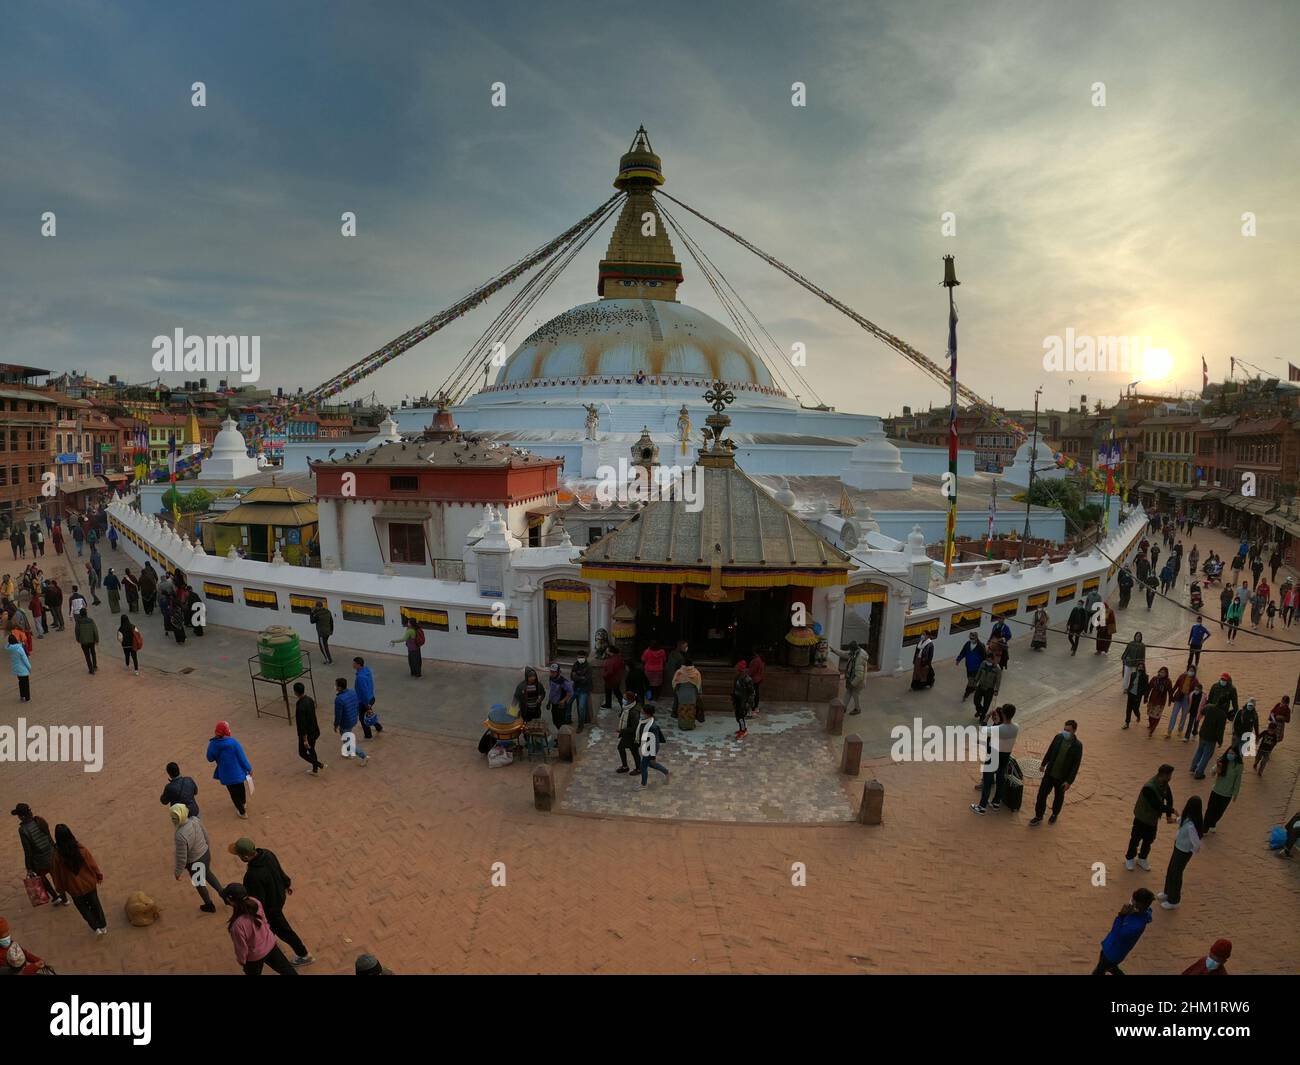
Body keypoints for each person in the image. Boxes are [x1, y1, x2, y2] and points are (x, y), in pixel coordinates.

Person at [229, 837, 314, 966]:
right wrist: (286, 883)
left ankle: (303, 954)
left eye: (239, 855)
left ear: (245, 857)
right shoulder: (267, 853)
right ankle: (270, 937)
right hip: (278, 895)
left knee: (284, 930)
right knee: (274, 927)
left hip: (271, 908)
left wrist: (255, 915)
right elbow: (279, 870)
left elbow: (257, 901)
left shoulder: (252, 876)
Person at [220, 884, 297, 976]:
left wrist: (242, 960)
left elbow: (241, 948)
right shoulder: (255, 902)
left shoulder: (237, 926)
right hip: (270, 944)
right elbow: (265, 921)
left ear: (230, 901)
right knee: (286, 970)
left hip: (254, 957)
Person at [50, 824, 107, 936]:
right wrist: (98, 875)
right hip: (89, 884)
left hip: (74, 889)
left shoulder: (57, 856)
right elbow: (92, 864)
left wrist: (60, 889)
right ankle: (103, 925)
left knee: (84, 909)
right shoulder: (81, 849)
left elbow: (57, 875)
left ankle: (95, 928)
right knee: (95, 905)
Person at [170, 804, 222, 913]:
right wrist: (206, 847)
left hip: (195, 862)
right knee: (208, 873)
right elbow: (206, 835)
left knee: (199, 884)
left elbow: (182, 856)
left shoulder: (180, 835)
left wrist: (178, 871)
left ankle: (209, 905)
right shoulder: (195, 820)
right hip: (205, 853)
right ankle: (224, 894)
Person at [1029, 720, 1082, 826]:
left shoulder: (1078, 746)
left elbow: (1075, 765)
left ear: (1074, 731)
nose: (1065, 732)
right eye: (1065, 729)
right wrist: (1043, 764)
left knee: (1058, 797)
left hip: (1062, 778)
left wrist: (1069, 782)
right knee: (1041, 795)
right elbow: (1050, 751)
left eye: (1068, 730)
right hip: (1049, 774)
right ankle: (1038, 816)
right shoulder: (1058, 738)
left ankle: (1054, 814)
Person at [1092, 889, 1155, 975]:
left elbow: (1117, 933)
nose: (1131, 902)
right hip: (1112, 950)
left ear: (1140, 905)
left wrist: (1121, 915)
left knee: (1099, 971)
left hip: (1112, 953)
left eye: (1134, 901)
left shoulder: (1136, 926)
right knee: (1111, 968)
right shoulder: (1140, 913)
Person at [1125, 764, 1175, 870]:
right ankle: (1130, 858)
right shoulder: (1149, 787)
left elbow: (1169, 798)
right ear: (1163, 775)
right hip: (1142, 817)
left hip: (1152, 819)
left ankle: (1142, 858)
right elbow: (1156, 805)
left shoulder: (1164, 784)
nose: (1171, 777)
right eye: (1169, 775)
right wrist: (1172, 811)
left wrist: (1168, 816)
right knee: (1135, 838)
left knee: (1149, 839)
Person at [13, 803, 65, 905]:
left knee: (41, 878)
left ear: (22, 816)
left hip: (39, 860)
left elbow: (27, 851)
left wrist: (28, 867)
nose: (18, 817)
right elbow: (49, 838)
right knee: (56, 877)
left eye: (18, 815)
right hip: (52, 854)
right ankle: (65, 898)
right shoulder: (39, 821)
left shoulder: (23, 830)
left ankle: (55, 897)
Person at [970, 704, 1018, 814]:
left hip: (994, 754)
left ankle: (982, 807)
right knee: (1000, 780)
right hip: (1006, 755)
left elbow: (982, 729)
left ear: (1004, 714)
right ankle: (996, 803)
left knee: (987, 781)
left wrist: (987, 716)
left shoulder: (997, 729)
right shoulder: (1016, 727)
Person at [1158, 796, 1203, 910]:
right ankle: (1167, 892)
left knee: (1176, 874)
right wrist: (1173, 819)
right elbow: (1180, 820)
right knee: (1171, 870)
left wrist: (1190, 851)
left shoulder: (1191, 826)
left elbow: (1197, 844)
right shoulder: (1188, 819)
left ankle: (1174, 900)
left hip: (1183, 852)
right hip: (1177, 848)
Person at [1192, 673, 1237, 778]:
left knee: (1199, 750)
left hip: (1204, 731)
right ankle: (1198, 772)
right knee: (1207, 754)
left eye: (1224, 680)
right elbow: (1220, 730)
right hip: (1211, 736)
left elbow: (1202, 711)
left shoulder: (1210, 707)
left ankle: (1193, 767)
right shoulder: (1222, 715)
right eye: (1222, 679)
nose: (1222, 681)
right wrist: (1220, 740)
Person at [207, 720, 254, 816]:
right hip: (238, 773)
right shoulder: (233, 742)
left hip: (226, 775)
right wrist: (249, 768)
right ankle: (243, 803)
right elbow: (242, 757)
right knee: (241, 789)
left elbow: (209, 758)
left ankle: (242, 812)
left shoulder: (213, 744)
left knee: (233, 793)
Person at [1203, 744, 1243, 834]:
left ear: (1236, 755)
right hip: (1216, 790)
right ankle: (1204, 828)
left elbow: (1237, 780)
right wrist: (1217, 767)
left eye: (1232, 754)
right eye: (1229, 753)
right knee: (1210, 809)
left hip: (1227, 794)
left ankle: (1213, 824)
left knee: (1219, 812)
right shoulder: (1222, 761)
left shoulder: (1238, 766)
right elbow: (1212, 772)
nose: (1230, 755)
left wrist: (1235, 793)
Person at [333, 678, 369, 764]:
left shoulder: (339, 699)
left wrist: (335, 725)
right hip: (353, 719)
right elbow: (357, 705)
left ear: (340, 687)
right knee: (347, 736)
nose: (335, 687)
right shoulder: (353, 692)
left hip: (345, 723)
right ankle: (348, 753)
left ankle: (363, 756)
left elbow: (338, 715)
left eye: (336, 685)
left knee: (348, 741)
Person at [293, 681, 325, 774]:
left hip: (307, 734)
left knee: (302, 753)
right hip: (314, 730)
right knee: (311, 750)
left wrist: (305, 739)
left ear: (295, 692)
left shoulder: (300, 707)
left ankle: (318, 764)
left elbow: (302, 724)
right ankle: (315, 769)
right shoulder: (310, 700)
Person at [635, 704, 669, 787]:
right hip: (646, 746)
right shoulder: (644, 721)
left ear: (648, 714)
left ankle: (643, 784)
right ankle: (666, 772)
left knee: (643, 766)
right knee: (650, 764)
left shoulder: (652, 727)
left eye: (642, 712)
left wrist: (653, 757)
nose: (641, 714)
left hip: (650, 749)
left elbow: (654, 742)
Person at [829, 641, 866, 715]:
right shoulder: (854, 653)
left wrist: (852, 684)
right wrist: (834, 650)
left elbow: (859, 675)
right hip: (852, 677)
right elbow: (845, 654)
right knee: (848, 692)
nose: (849, 651)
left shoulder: (859, 658)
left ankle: (857, 709)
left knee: (855, 694)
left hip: (857, 680)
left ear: (853, 649)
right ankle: (844, 707)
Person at [352, 657, 381, 738]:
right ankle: (378, 727)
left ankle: (368, 735)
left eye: (354, 663)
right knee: (369, 713)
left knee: (362, 718)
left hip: (364, 701)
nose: (352, 665)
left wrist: (366, 704)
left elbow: (363, 692)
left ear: (358, 665)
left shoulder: (360, 677)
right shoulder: (367, 670)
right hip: (371, 697)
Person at [671, 655, 702, 729]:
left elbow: (674, 683)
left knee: (682, 710)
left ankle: (682, 725)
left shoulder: (679, 672)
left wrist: (676, 691)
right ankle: (690, 725)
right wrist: (699, 693)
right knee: (691, 710)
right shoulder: (696, 673)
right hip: (692, 694)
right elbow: (699, 685)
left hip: (681, 694)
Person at [970, 654, 1002, 725]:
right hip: (981, 686)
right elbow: (979, 672)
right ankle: (979, 711)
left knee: (986, 705)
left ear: (993, 660)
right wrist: (975, 681)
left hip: (989, 689)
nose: (988, 661)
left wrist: (996, 690)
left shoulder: (997, 669)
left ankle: (982, 716)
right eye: (987, 660)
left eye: (989, 660)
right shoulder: (983, 664)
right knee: (976, 701)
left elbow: (998, 681)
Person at [1165, 668, 1197, 738]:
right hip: (1179, 697)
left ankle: (1180, 729)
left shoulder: (1195, 681)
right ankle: (1169, 731)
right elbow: (1176, 685)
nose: (1191, 672)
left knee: (1184, 715)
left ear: (1194, 672)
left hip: (1187, 699)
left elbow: (1195, 692)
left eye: (1192, 671)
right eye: (1190, 670)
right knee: (1174, 714)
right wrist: (1171, 695)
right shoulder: (1182, 676)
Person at [615, 693, 642, 774]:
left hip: (632, 735)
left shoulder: (633, 712)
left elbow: (634, 727)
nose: (623, 700)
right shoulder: (627, 708)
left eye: (624, 698)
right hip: (628, 735)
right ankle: (635, 768)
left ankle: (628, 767)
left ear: (629, 700)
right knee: (633, 751)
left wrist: (621, 731)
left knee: (623, 748)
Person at [954, 632, 986, 698]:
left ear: (976, 638)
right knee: (970, 679)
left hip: (977, 668)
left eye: (973, 638)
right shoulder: (967, 644)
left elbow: (984, 657)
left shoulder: (980, 646)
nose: (971, 639)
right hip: (968, 666)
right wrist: (958, 660)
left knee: (971, 681)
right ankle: (974, 687)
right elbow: (963, 652)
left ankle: (967, 693)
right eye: (970, 638)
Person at [1144, 666, 1173, 737]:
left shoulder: (1168, 681)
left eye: (1164, 673)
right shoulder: (1154, 679)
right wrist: (1146, 697)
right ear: (1159, 672)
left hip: (1161, 701)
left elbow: (1170, 692)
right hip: (1152, 699)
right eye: (1161, 672)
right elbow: (1149, 688)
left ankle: (1152, 729)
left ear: (1166, 674)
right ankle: (1151, 725)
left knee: (1156, 716)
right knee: (1150, 714)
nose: (1162, 673)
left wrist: (1170, 700)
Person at [732, 660, 756, 738]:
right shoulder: (737, 677)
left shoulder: (747, 679)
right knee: (738, 716)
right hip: (737, 699)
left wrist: (748, 703)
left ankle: (743, 730)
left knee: (741, 716)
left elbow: (752, 693)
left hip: (743, 701)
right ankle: (741, 729)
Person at [546, 662, 573, 730]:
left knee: (561, 723)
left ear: (558, 672)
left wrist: (563, 701)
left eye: (554, 672)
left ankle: (562, 737)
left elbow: (570, 693)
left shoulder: (564, 682)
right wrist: (549, 702)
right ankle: (559, 735)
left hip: (560, 705)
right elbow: (552, 691)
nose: (552, 673)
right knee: (555, 721)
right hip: (554, 704)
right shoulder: (551, 679)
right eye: (551, 672)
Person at [5, 633, 31, 702]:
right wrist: (29, 667)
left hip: (17, 669)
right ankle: (27, 697)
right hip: (23, 669)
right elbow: (25, 659)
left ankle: (22, 696)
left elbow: (6, 646)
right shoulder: (19, 648)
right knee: (26, 684)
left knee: (20, 682)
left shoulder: (10, 648)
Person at [570, 652, 592, 729]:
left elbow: (586, 680)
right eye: (579, 657)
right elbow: (572, 677)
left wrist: (577, 676)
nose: (580, 659)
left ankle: (581, 724)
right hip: (575, 688)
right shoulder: (575, 665)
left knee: (581, 707)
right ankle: (568, 719)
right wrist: (581, 677)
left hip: (584, 689)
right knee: (568, 702)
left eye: (582, 657)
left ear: (585, 657)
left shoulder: (588, 667)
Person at [1122, 664, 1148, 730]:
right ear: (1137, 667)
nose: (1140, 668)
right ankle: (1127, 723)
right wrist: (1128, 690)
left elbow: (1145, 687)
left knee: (1135, 708)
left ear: (1144, 668)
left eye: (1142, 667)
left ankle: (1138, 715)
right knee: (1128, 709)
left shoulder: (1145, 676)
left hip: (1138, 695)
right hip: (1131, 693)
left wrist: (1144, 696)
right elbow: (1131, 683)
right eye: (1139, 667)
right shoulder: (1133, 674)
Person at [73, 607, 99, 675]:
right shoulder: (91, 620)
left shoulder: (78, 622)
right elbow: (95, 630)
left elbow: (77, 631)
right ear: (86, 613)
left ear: (80, 614)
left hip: (83, 641)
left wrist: (78, 639)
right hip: (91, 640)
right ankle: (95, 666)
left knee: (87, 655)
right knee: (93, 653)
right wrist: (97, 639)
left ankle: (91, 670)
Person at [309, 600, 333, 664]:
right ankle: (329, 659)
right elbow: (331, 622)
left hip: (322, 633)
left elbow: (312, 621)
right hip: (328, 632)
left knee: (323, 647)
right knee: (325, 645)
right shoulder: (328, 612)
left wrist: (311, 613)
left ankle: (329, 660)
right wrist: (331, 631)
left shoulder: (318, 615)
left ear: (317, 607)